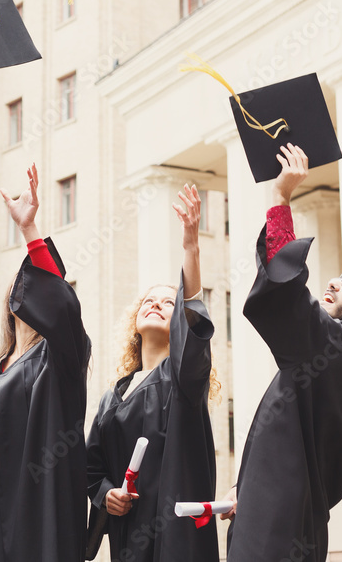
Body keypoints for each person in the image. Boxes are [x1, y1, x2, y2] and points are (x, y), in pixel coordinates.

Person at [222, 144, 342, 562]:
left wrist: (281, 199)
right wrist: (249, 487)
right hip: (287, 520)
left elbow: (287, 297)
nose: (333, 282)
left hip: (277, 527)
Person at [0, 164, 93, 562]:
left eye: (38, 281)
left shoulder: (62, 356)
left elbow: (62, 309)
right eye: (20, 279)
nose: (27, 285)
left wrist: (29, 231)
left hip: (44, 515)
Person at [85, 184, 220, 562]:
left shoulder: (182, 382)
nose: (157, 305)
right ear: (135, 321)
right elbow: (92, 467)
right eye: (149, 301)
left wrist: (191, 246)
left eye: (168, 302)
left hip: (175, 536)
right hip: (129, 534)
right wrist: (106, 494)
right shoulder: (114, 396)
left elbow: (193, 320)